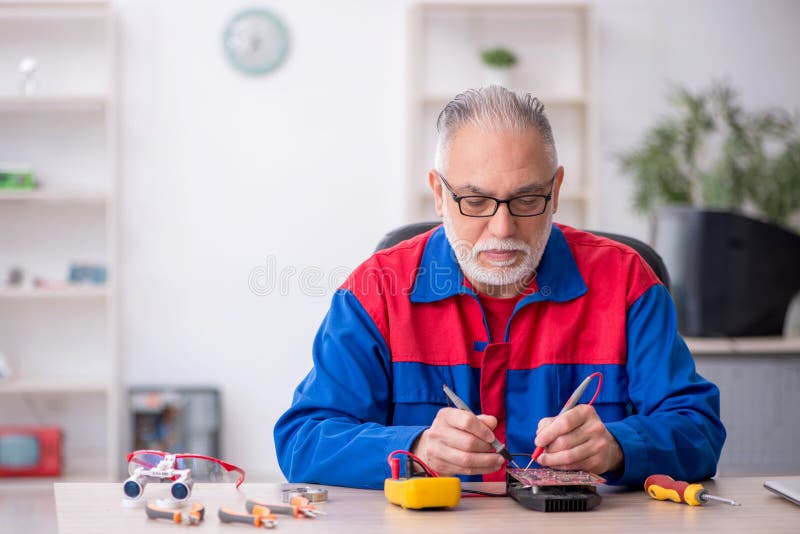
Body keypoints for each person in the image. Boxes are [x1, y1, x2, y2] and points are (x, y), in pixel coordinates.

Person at [274, 86, 725, 489]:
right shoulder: (377, 290)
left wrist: (618, 446)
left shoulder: (628, 284)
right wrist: (417, 448)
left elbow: (699, 429)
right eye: (475, 201)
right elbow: (304, 439)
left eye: (528, 200)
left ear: (556, 189)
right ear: (438, 194)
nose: (502, 228)